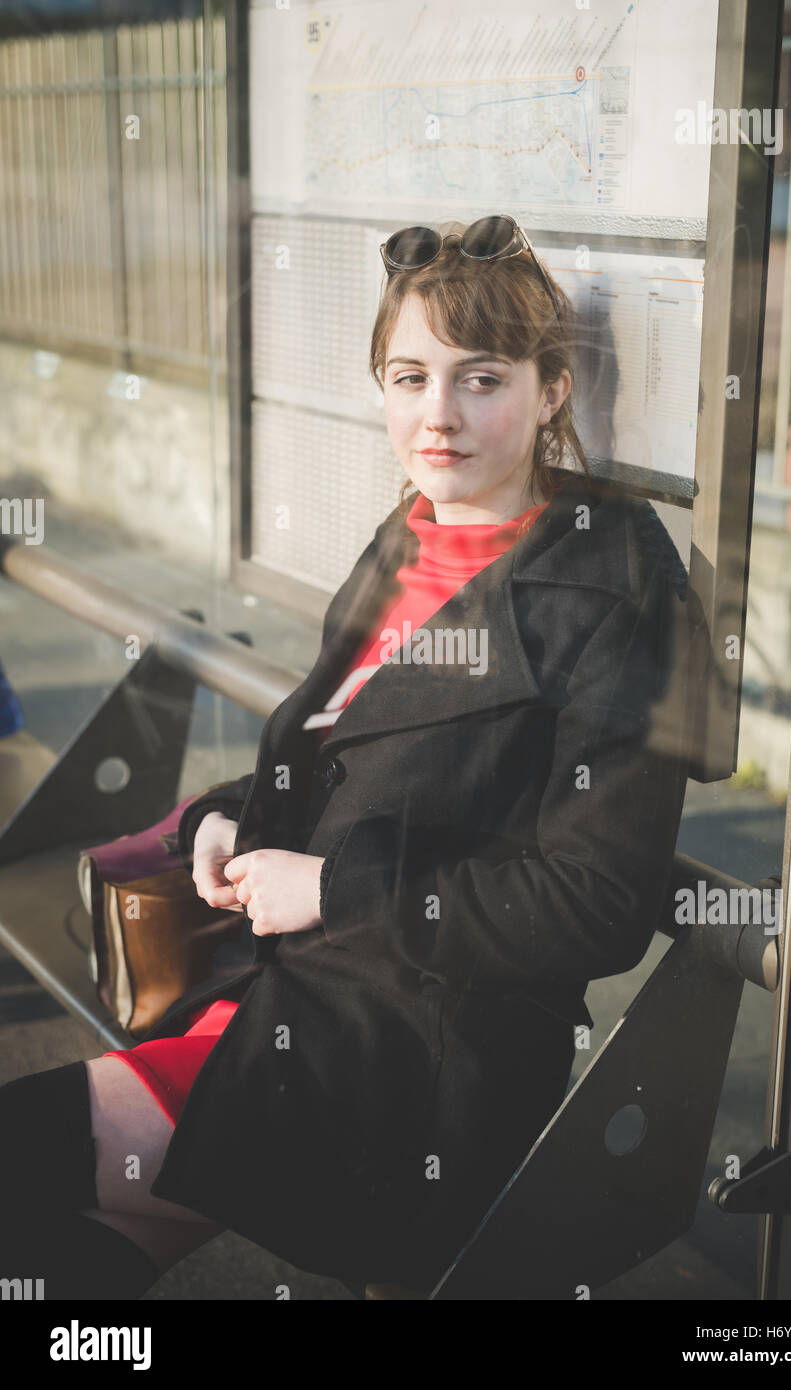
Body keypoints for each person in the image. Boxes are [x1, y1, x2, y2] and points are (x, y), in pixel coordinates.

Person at [0, 215, 705, 1300]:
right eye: (409, 376)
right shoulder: (410, 531)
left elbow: (598, 903)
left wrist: (335, 887)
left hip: (414, 1059)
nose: (438, 415)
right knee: (72, 1257)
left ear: (552, 389)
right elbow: (340, 758)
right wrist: (223, 823)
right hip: (291, 1000)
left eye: (482, 379)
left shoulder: (612, 592)